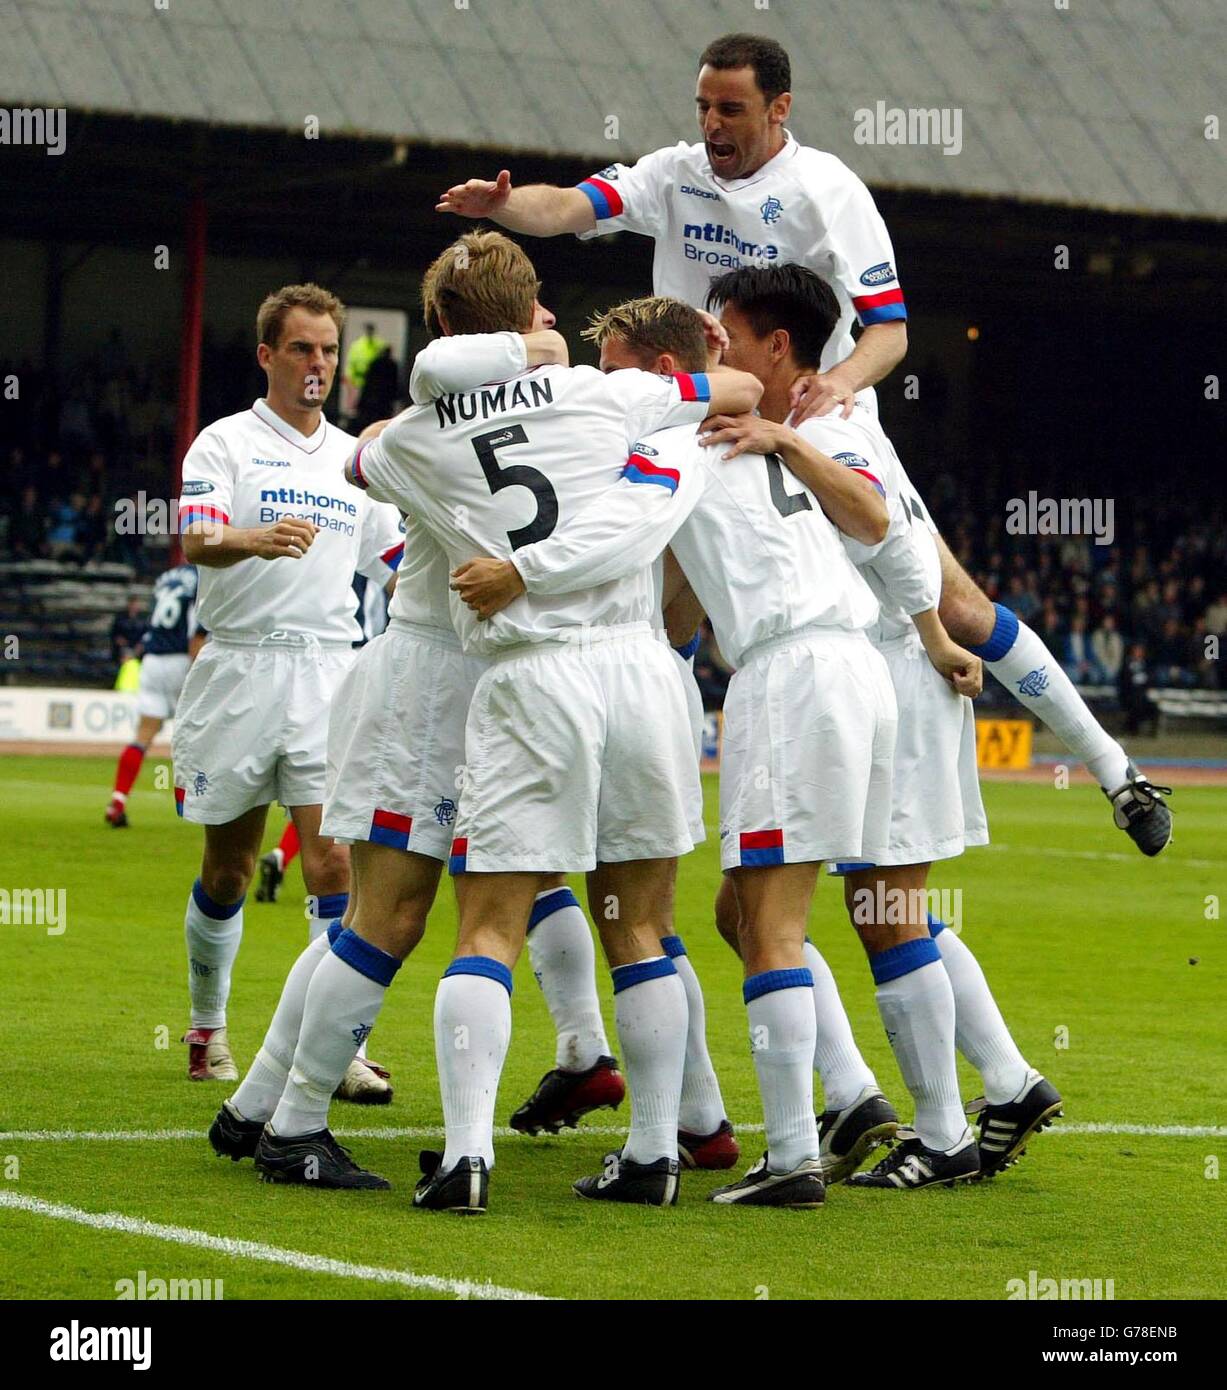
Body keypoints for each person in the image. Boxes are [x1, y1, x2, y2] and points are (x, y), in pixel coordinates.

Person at [437, 29, 1172, 855]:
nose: (712, 125)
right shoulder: (674, 173)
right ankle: (637, 810)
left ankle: (1116, 772)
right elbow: (572, 207)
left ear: (778, 108)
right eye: (703, 107)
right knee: (654, 604)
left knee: (954, 603)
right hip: (701, 414)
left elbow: (888, 332)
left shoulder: (827, 191)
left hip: (813, 412)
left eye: (731, 109)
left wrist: (839, 385)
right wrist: (504, 207)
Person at [348, 231, 762, 1212]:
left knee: (488, 922)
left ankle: (465, 1158)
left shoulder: (419, 433)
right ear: (532, 307)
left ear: (442, 322)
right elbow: (740, 394)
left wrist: (492, 368)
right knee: (644, 926)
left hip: (533, 676)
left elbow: (363, 461)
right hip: (644, 672)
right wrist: (692, 369)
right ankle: (658, 1152)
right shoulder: (611, 394)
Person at [699, 266, 1061, 1185]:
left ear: (777, 348)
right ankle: (962, 1089)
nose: (715, 349)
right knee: (764, 909)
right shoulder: (779, 429)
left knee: (875, 910)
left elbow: (888, 532)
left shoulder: (832, 424)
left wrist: (936, 636)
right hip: (871, 670)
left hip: (877, 673)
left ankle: (937, 1128)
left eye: (727, 334)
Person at [173, 283, 402, 1085]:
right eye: (302, 349)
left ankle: (335, 1047)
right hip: (237, 667)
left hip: (329, 672)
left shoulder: (354, 460)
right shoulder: (224, 443)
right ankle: (205, 1027)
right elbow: (196, 540)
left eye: (329, 350)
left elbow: (395, 561)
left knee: (334, 860)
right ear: (267, 354)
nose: (318, 364)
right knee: (228, 869)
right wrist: (252, 538)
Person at [105, 563, 201, 828]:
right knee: (195, 736)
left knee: (143, 735)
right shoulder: (203, 575)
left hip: (152, 660)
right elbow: (198, 627)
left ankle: (118, 800)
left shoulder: (166, 577)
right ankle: (190, 806)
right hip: (181, 659)